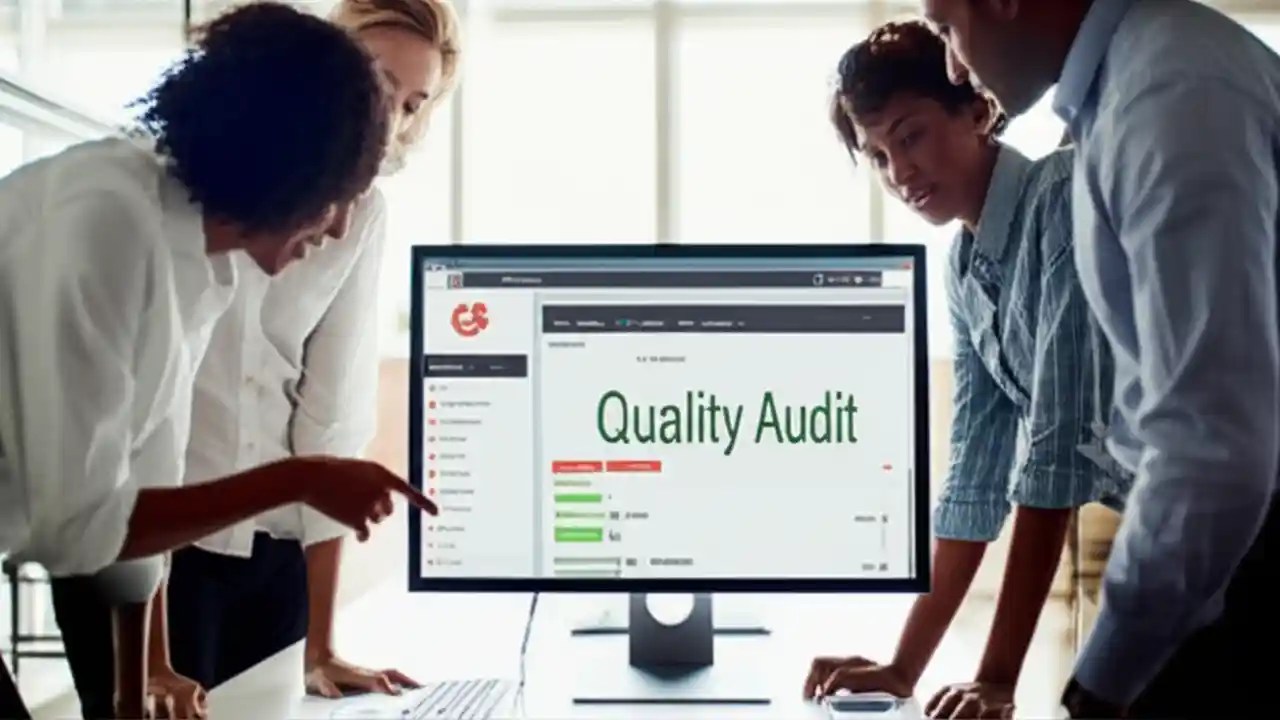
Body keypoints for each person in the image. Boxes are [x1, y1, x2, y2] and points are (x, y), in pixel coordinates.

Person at [0, 3, 438, 718]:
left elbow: (144, 484)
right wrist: (300, 478)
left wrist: (135, 692)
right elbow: (78, 527)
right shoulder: (105, 220)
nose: (338, 228)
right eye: (334, 196)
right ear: (286, 164)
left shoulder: (203, 266)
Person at [918, 0, 1280, 716]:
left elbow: (1213, 450)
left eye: (947, 28)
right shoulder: (1125, 91)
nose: (955, 66)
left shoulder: (1166, 95)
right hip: (1206, 551)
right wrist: (906, 669)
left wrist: (1100, 683)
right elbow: (977, 467)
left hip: (1232, 552)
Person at [125, 1, 462, 713]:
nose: (391, 120)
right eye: (380, 84)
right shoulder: (186, 185)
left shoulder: (363, 216)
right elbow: (141, 434)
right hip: (156, 546)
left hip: (273, 552)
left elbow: (331, 416)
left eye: (412, 104)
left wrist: (322, 644)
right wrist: (152, 660)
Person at [802, 20, 1127, 719]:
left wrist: (997, 680)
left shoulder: (1060, 197)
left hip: (1238, 514)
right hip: (1173, 528)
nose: (900, 173)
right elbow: (975, 476)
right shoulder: (964, 265)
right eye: (878, 156)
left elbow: (1055, 455)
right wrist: (901, 669)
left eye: (911, 136)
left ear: (978, 109)